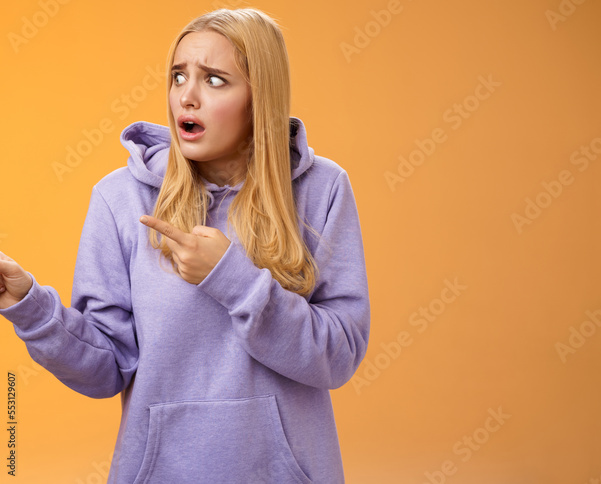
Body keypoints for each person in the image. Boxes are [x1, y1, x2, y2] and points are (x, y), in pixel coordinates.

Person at [0, 8, 370, 483]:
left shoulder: (322, 189)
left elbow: (337, 356)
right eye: (178, 76)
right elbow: (106, 370)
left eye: (215, 80)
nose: (186, 97)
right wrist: (28, 306)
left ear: (261, 99)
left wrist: (234, 281)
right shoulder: (120, 198)